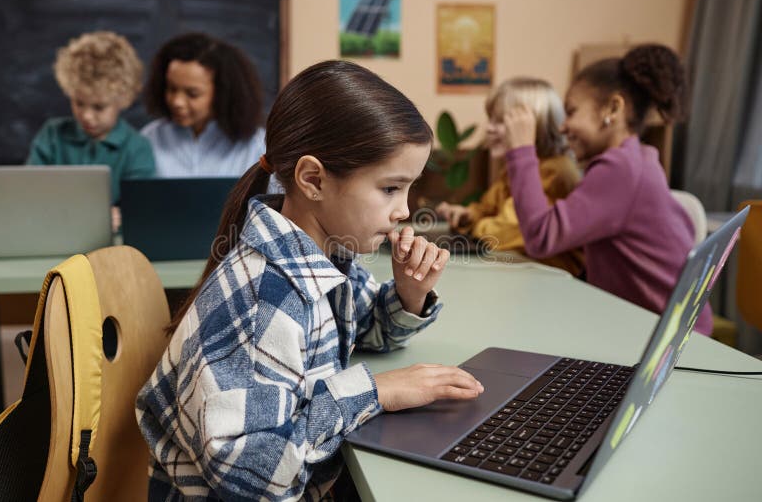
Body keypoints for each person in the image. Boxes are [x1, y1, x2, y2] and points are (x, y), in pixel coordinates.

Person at [135, 60, 484, 500]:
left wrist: (409, 294)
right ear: (313, 179)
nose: (404, 210)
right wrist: (375, 390)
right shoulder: (266, 296)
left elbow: (363, 328)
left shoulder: (325, 254)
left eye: (409, 188)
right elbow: (258, 476)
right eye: (390, 189)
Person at [502, 44, 713, 334]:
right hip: (665, 326)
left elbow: (541, 236)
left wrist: (522, 149)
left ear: (613, 108)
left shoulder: (620, 168)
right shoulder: (637, 158)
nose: (564, 127)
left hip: (669, 337)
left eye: (572, 111)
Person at [436, 78, 584, 276]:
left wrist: (476, 226)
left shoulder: (555, 171)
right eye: (490, 119)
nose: (488, 128)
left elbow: (501, 234)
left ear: (534, 126)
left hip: (553, 280)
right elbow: (489, 208)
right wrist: (469, 215)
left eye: (500, 121)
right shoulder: (513, 170)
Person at [27, 30, 155, 212]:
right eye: (79, 103)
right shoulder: (52, 135)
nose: (87, 116)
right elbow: (28, 190)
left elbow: (141, 206)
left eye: (99, 107)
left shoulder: (138, 147)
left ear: (123, 99)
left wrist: (121, 214)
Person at [141, 32, 266, 177]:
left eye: (192, 94)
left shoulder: (255, 145)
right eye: (172, 89)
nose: (177, 102)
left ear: (222, 94)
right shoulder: (150, 138)